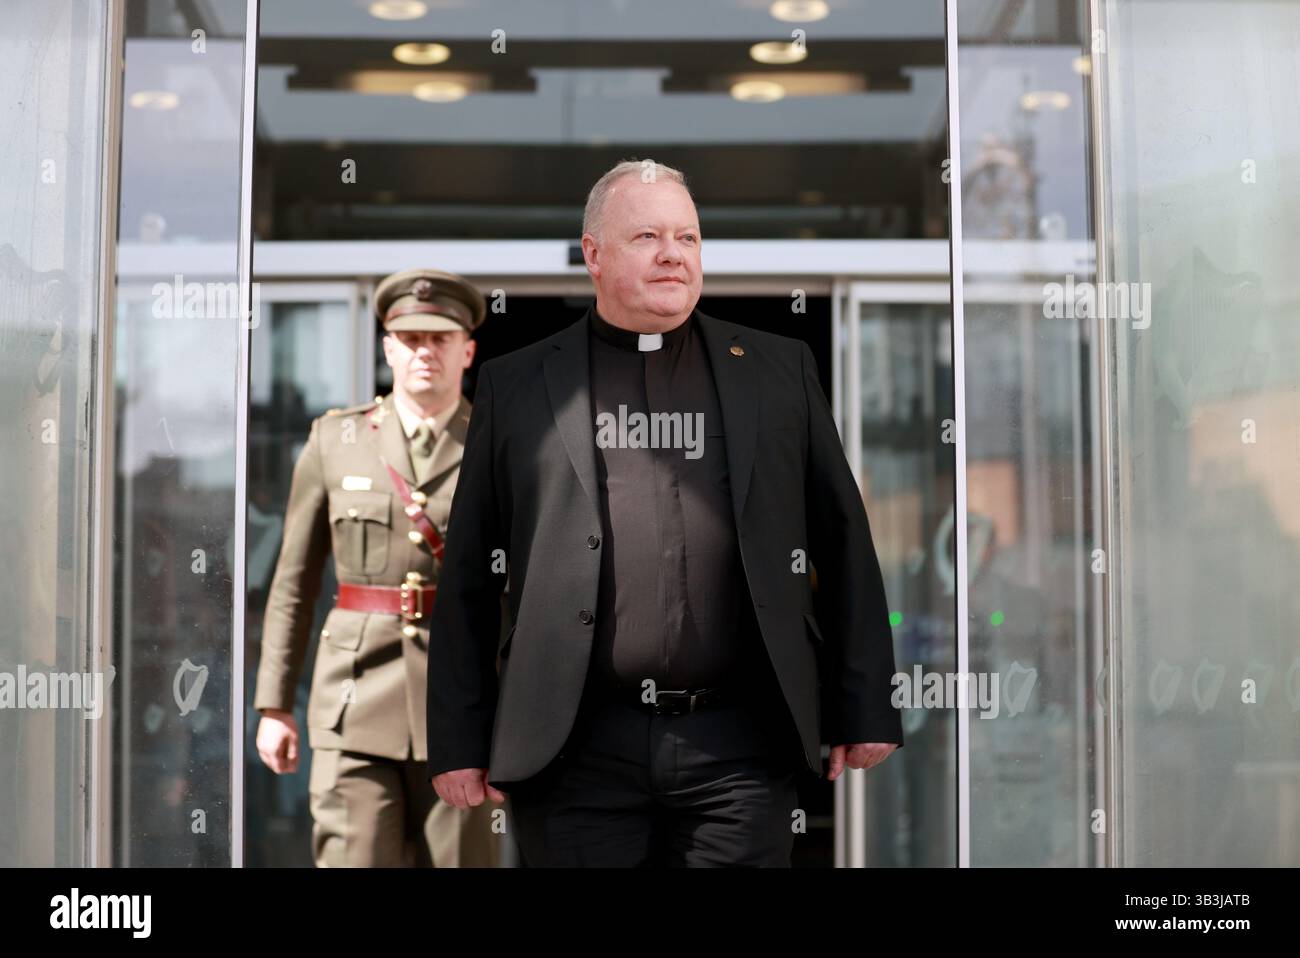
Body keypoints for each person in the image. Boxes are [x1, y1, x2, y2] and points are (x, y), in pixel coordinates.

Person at [427, 161, 903, 867]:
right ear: (594, 254)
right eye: (647, 235)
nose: (674, 253)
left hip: (741, 745)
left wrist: (863, 705)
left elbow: (842, 540)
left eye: (688, 236)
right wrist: (460, 740)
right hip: (574, 748)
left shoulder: (777, 368)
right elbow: (467, 571)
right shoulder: (518, 383)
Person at [254, 268, 497, 867]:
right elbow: (294, 582)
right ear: (387, 347)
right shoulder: (334, 440)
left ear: (467, 349)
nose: (424, 352)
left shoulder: (500, 440)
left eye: (439, 338)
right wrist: (274, 705)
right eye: (410, 338)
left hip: (464, 708)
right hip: (354, 702)